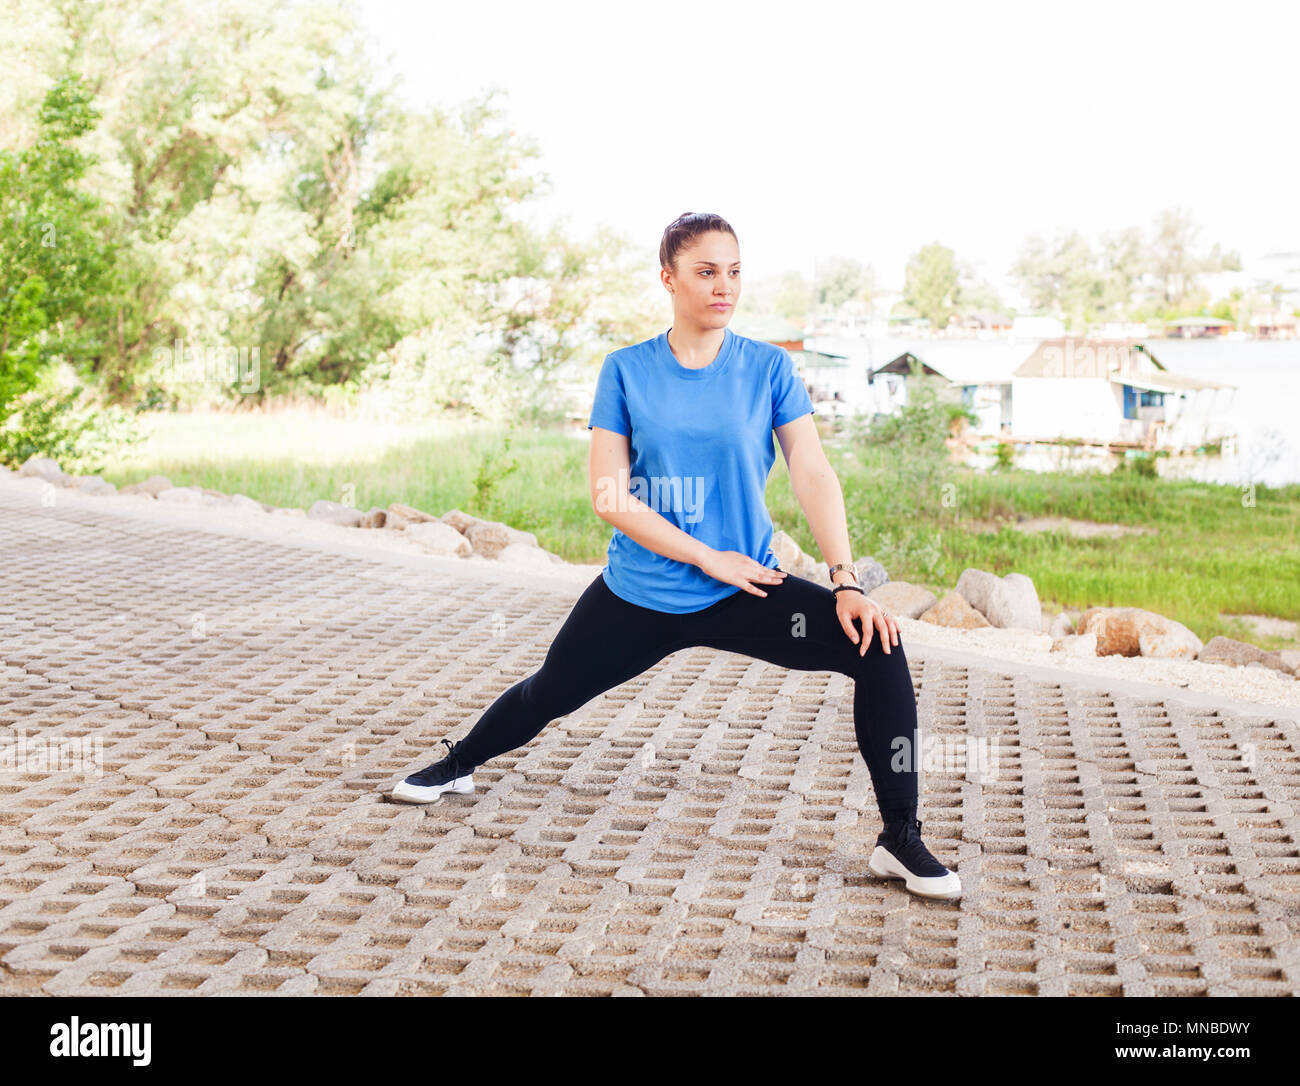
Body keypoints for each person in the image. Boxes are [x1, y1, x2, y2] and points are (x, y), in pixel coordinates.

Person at [388, 211, 960, 902]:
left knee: (876, 645)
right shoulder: (626, 370)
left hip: (745, 589)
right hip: (642, 593)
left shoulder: (768, 367)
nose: (725, 286)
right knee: (550, 691)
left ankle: (900, 837)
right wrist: (706, 555)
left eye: (735, 271)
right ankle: (459, 763)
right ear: (670, 278)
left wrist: (845, 581)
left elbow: (811, 470)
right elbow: (609, 494)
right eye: (706, 271)